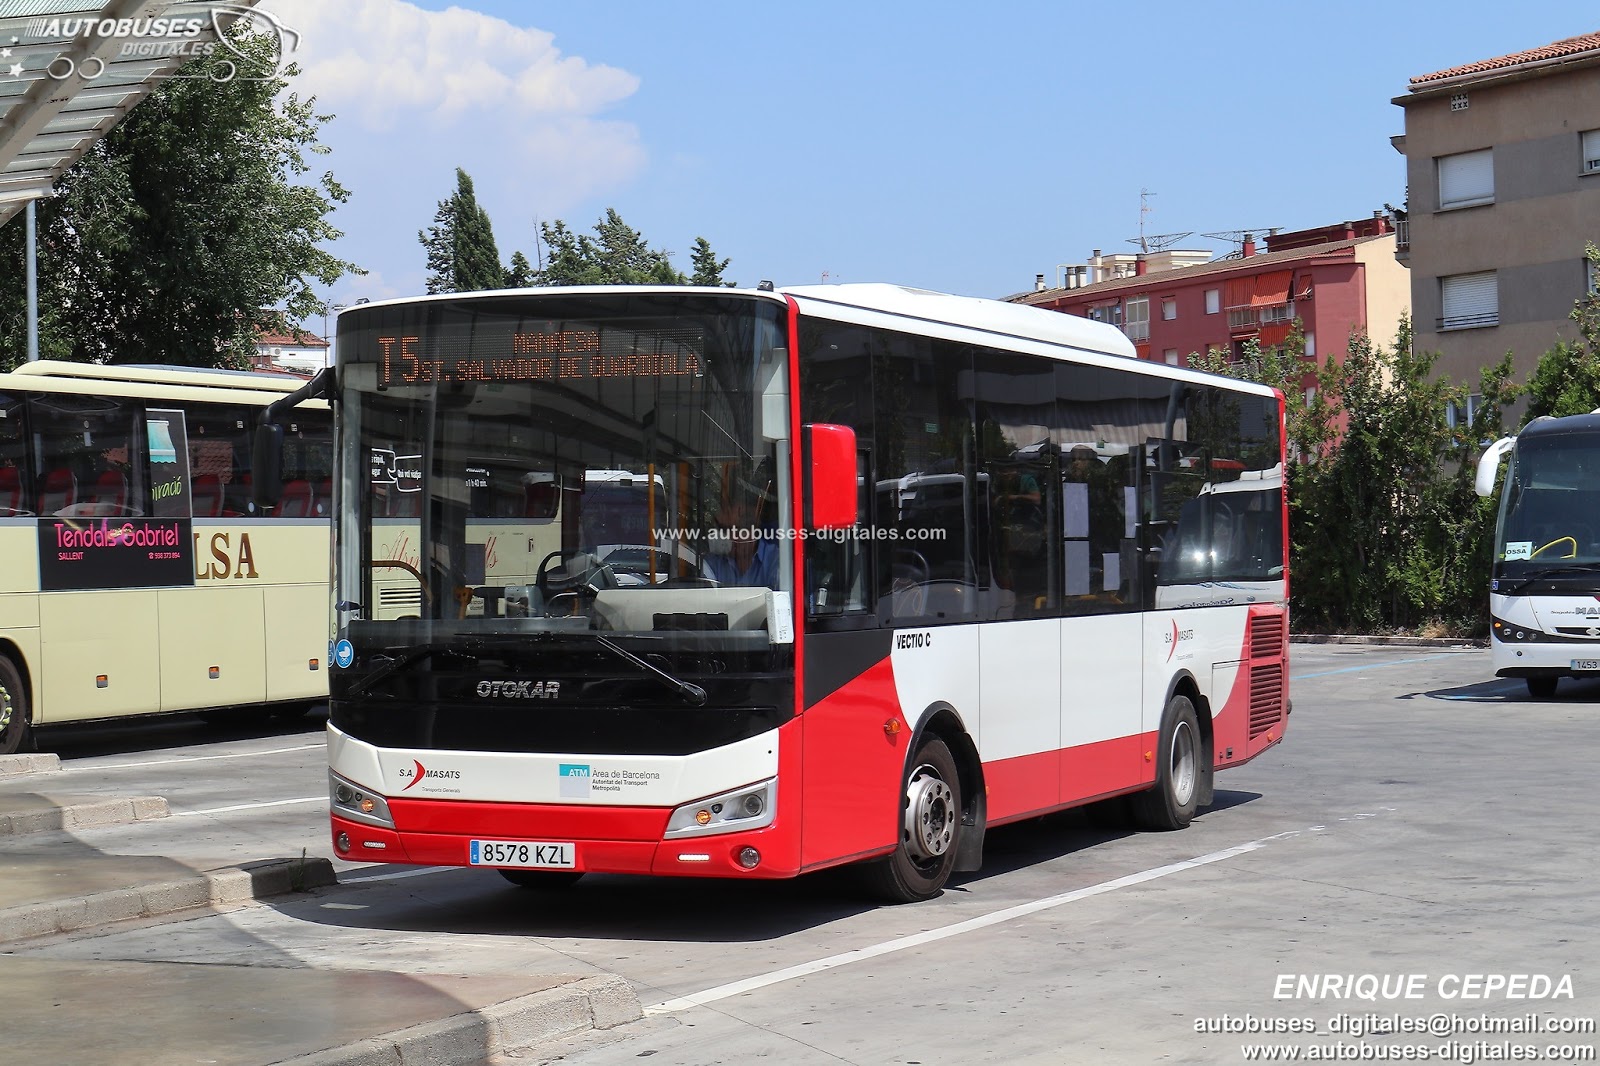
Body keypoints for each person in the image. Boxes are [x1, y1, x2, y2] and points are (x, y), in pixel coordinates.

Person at [704, 497, 779, 588]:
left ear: (751, 531)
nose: (728, 536)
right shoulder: (714, 562)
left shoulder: (775, 560)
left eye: (732, 529)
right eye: (723, 530)